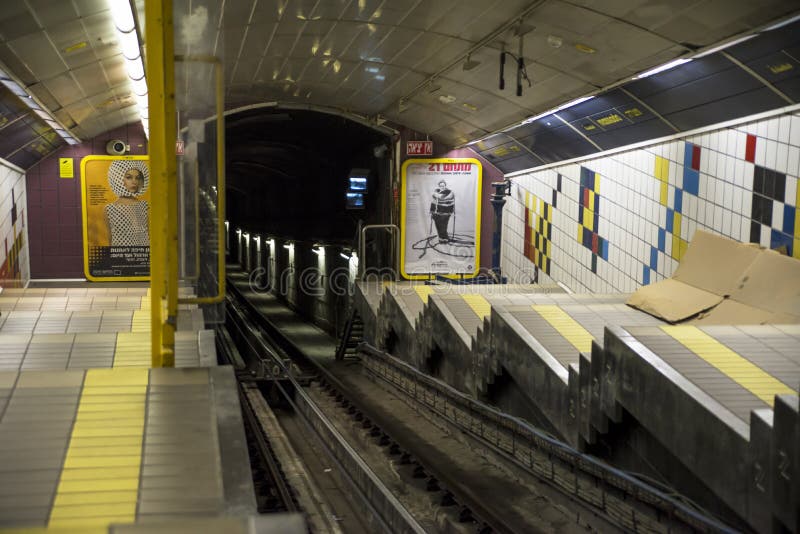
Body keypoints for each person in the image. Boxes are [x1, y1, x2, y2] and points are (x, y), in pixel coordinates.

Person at [105, 160, 149, 246]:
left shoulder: (144, 206)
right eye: (129, 177)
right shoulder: (109, 209)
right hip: (119, 255)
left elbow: (149, 234)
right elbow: (110, 238)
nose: (134, 182)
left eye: (138, 178)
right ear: (118, 178)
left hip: (142, 254)